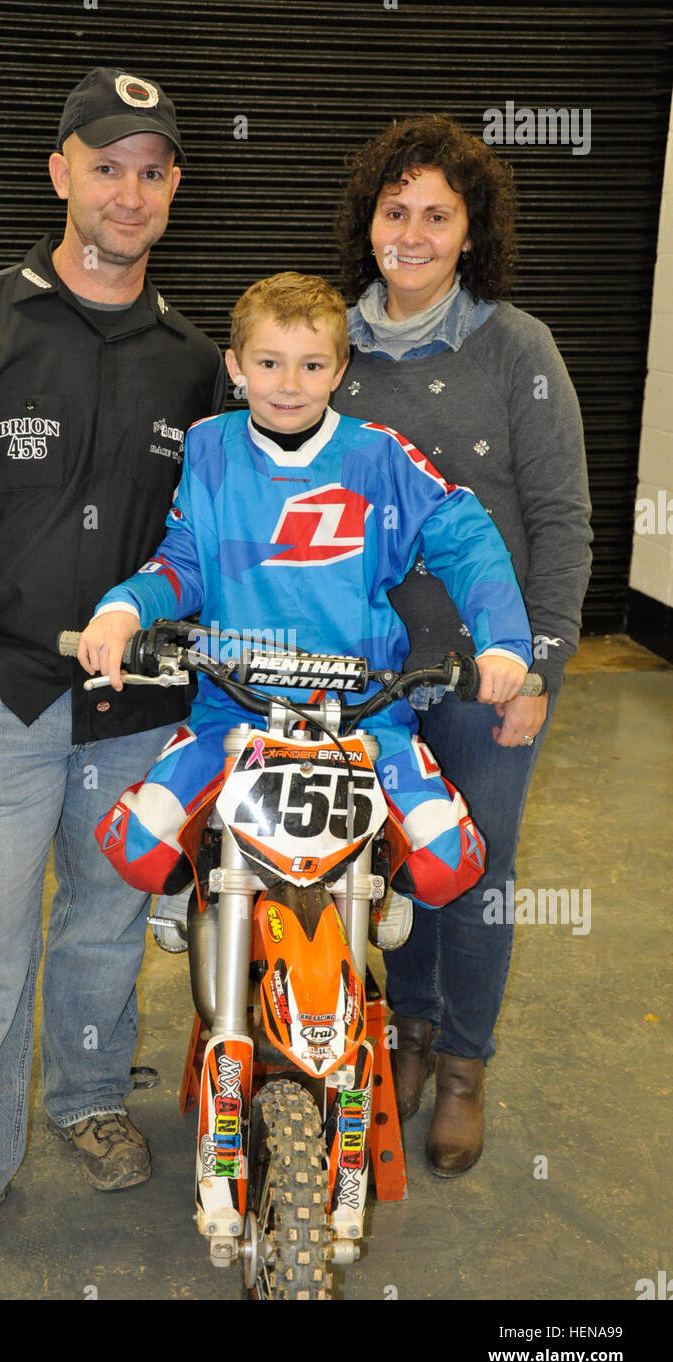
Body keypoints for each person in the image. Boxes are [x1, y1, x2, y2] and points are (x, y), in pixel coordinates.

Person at [0, 66, 226, 1286]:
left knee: (109, 923)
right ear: (60, 172)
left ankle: (84, 1096)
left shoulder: (197, 361)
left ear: (174, 188)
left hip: (141, 709)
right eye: (105, 165)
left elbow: (225, 530)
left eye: (152, 170)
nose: (128, 191)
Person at [79, 272, 535, 953]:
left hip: (363, 714)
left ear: (338, 370)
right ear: (235, 367)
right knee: (137, 850)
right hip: (235, 709)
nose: (288, 384)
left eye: (311, 364)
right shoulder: (208, 446)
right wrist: (122, 609)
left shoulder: (378, 455)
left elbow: (466, 537)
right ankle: (195, 882)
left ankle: (381, 877)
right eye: (267, 362)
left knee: (448, 867)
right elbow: (183, 561)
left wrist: (503, 645)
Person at [332, 115, 592, 1176]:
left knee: (470, 869)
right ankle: (402, 1028)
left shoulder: (515, 349)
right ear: (369, 222)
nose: (412, 231)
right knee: (372, 867)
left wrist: (536, 664)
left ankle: (458, 1066)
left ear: (470, 231)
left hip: (482, 678)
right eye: (394, 210)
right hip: (359, 678)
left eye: (436, 213)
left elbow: (563, 521)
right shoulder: (329, 345)